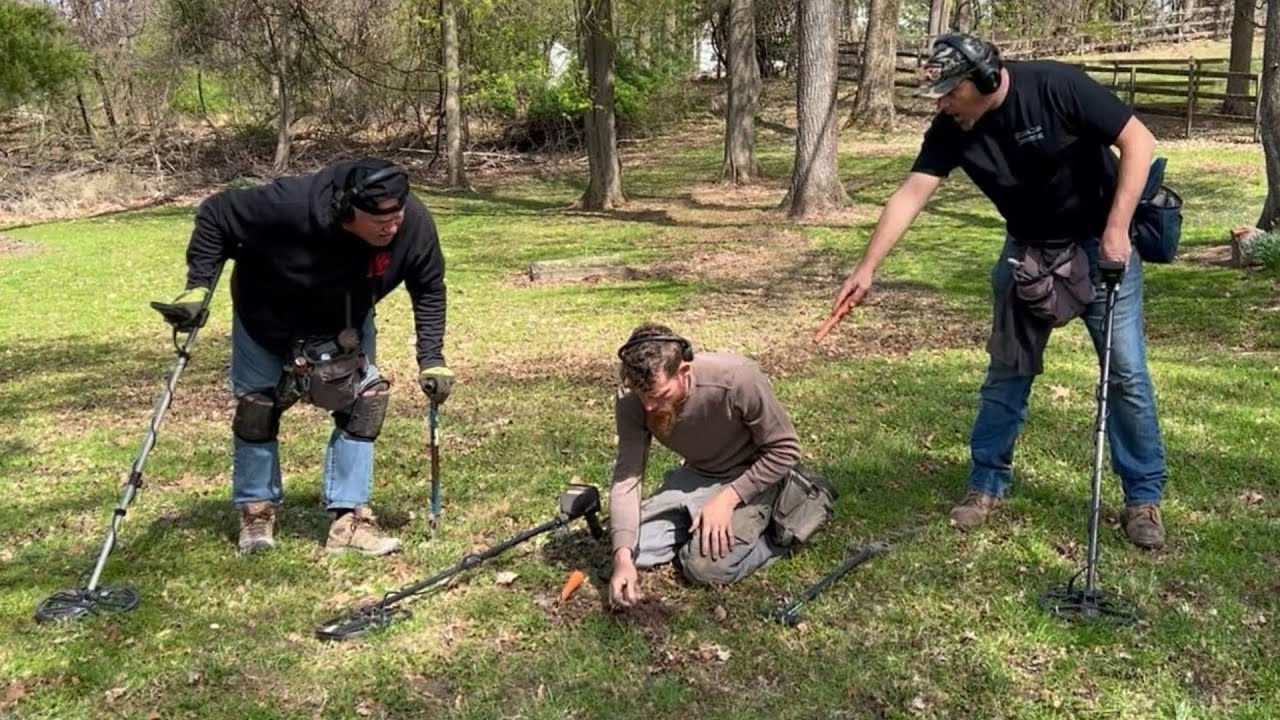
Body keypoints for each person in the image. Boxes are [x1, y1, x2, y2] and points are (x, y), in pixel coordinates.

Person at [830, 33, 1168, 550]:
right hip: (1027, 254)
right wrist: (867, 267)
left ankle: (1142, 498)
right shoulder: (952, 127)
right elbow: (911, 193)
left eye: (949, 92)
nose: (942, 104)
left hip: (1099, 246)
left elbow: (1139, 140)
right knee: (1006, 372)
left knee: (1125, 373)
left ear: (982, 82)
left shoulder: (1057, 86)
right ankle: (985, 484)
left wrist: (1118, 230)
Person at [152, 158, 456, 556]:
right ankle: (256, 512)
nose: (391, 226)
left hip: (345, 320)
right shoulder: (287, 206)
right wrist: (197, 288)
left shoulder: (412, 223)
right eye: (379, 218)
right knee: (258, 408)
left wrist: (430, 356)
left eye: (397, 214)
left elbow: (429, 286)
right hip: (267, 317)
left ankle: (350, 522)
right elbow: (216, 214)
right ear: (347, 210)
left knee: (365, 402)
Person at [608, 323, 830, 607]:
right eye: (643, 397)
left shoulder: (737, 379)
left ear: (684, 372)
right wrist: (623, 559)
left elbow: (785, 450)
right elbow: (628, 477)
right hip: (698, 475)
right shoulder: (632, 399)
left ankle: (788, 522)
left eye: (660, 396)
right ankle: (699, 529)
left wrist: (727, 499)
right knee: (624, 542)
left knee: (703, 568)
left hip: (755, 475)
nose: (649, 407)